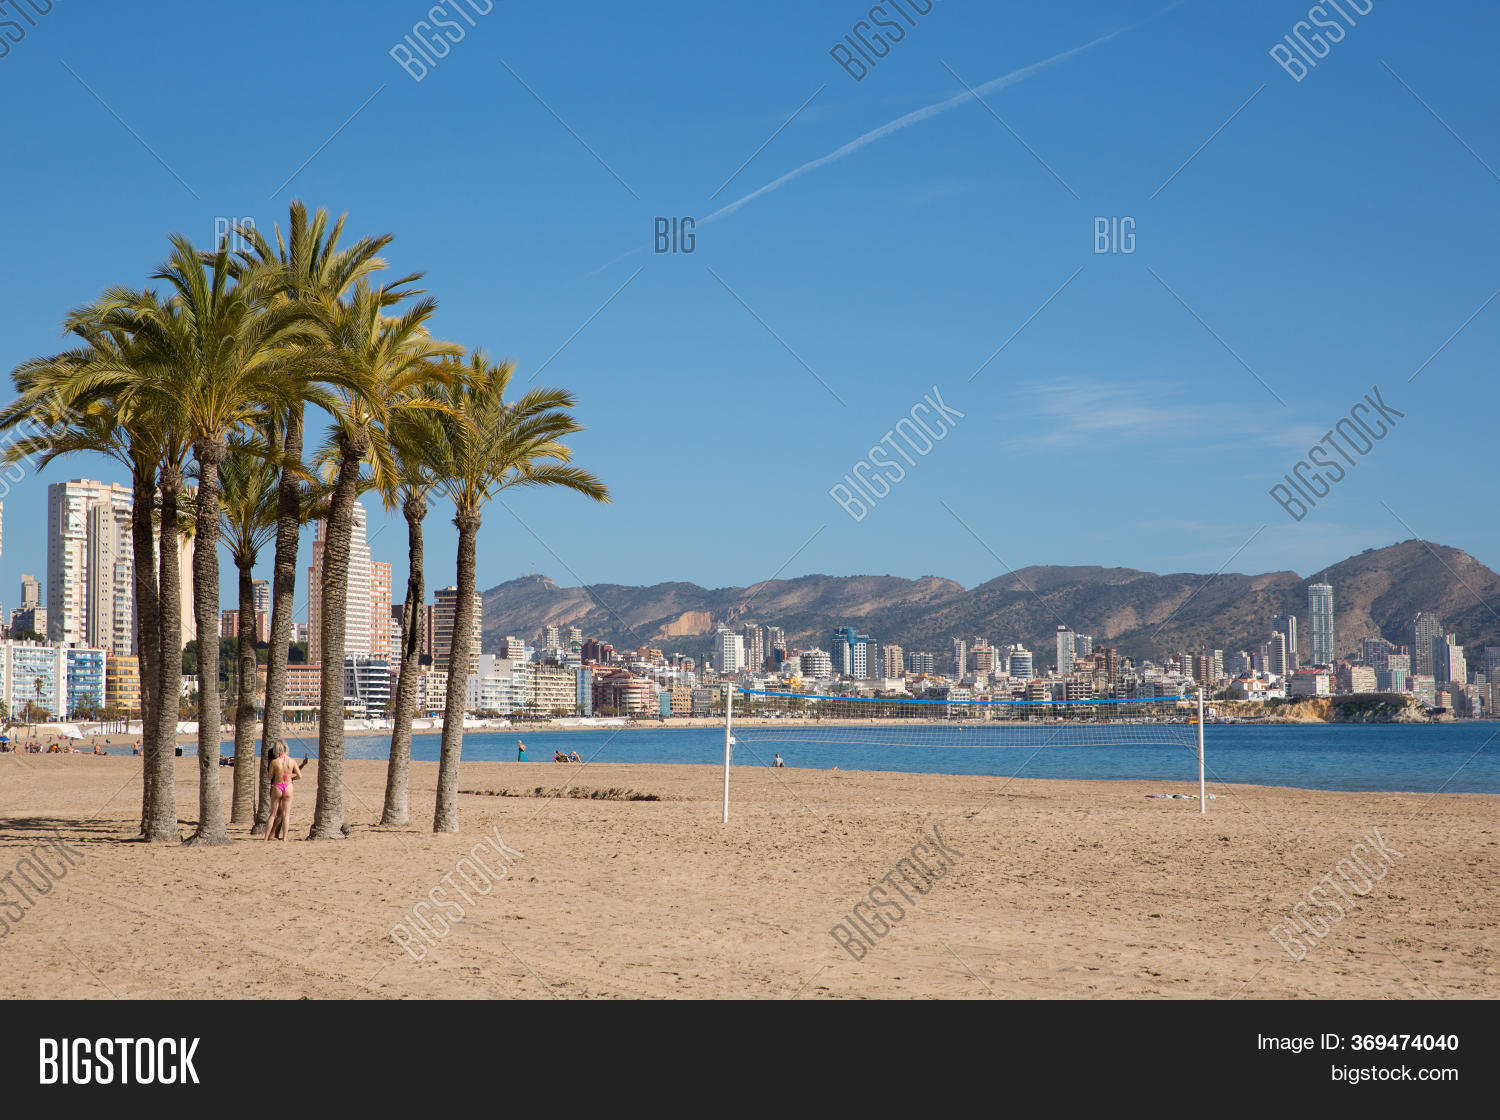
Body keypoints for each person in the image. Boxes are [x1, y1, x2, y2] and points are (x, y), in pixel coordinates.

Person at [264, 741, 303, 841]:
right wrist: (292, 779)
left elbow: (269, 777)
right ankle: (285, 837)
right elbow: (299, 776)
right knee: (286, 814)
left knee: (272, 814)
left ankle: (266, 837)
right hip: (288, 786)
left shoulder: (274, 762)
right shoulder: (292, 761)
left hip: (277, 785)